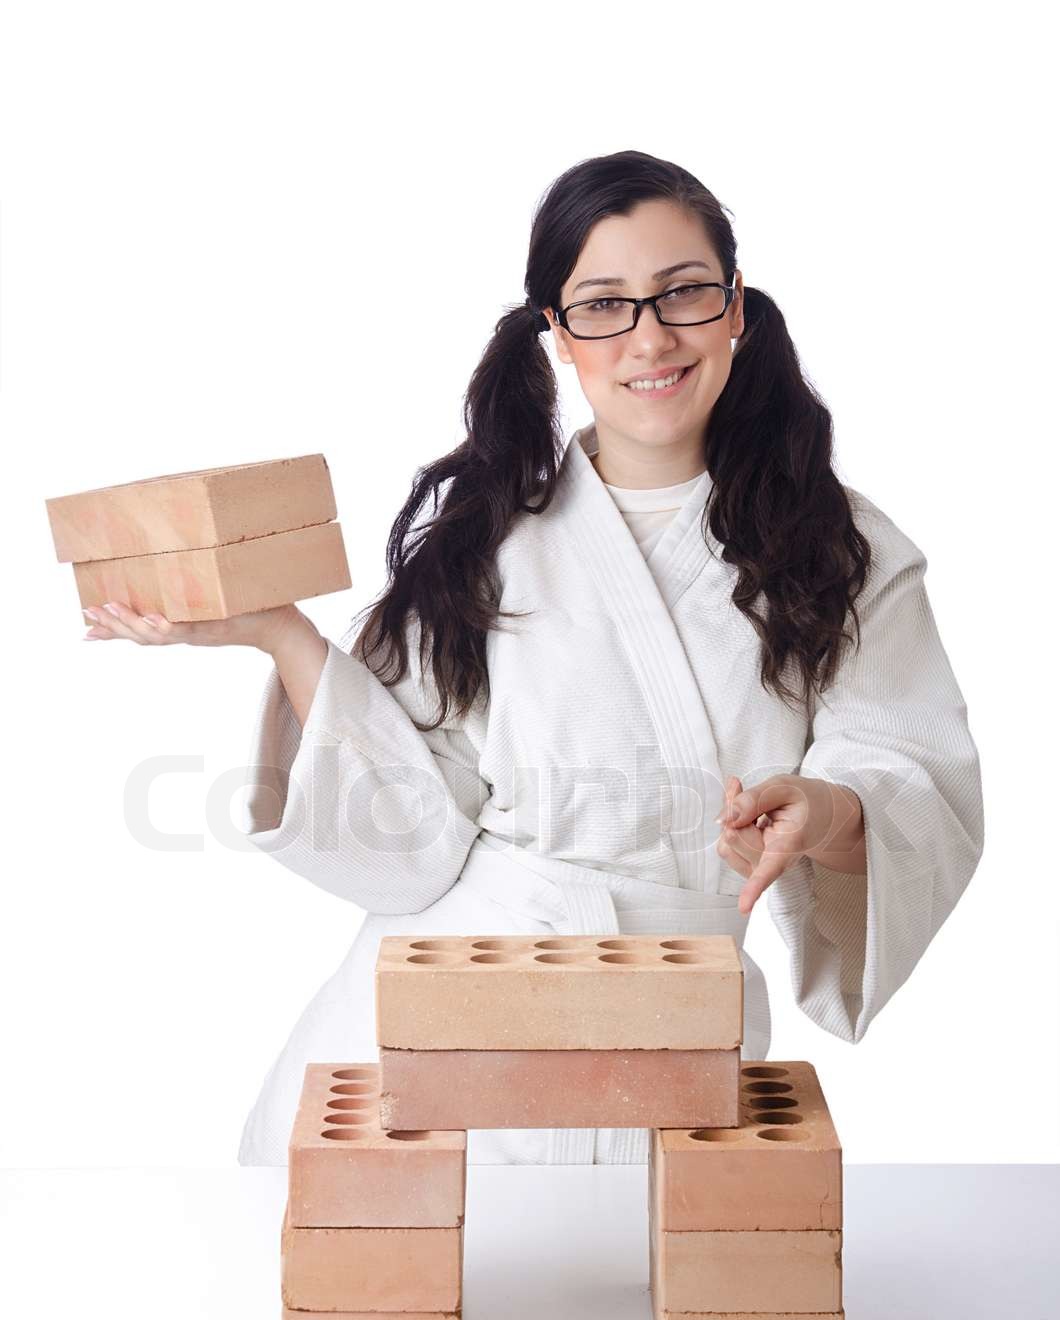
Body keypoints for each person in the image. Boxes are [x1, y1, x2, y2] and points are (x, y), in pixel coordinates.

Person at [83, 150, 985, 1168]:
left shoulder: (841, 547)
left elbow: (911, 762)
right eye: (603, 305)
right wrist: (282, 634)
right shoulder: (484, 541)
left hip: (678, 1017)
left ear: (735, 305)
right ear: (558, 334)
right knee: (379, 1302)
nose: (649, 335)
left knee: (660, 1305)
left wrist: (828, 811)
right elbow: (407, 835)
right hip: (441, 1016)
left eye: (683, 293)